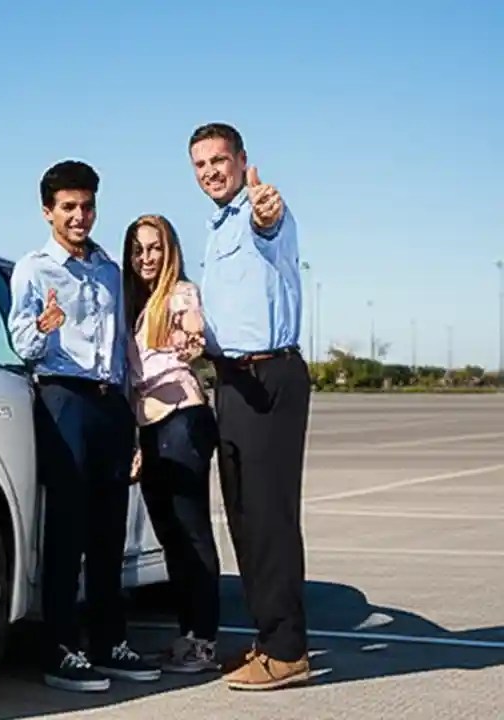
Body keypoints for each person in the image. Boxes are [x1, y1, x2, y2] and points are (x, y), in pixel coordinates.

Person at [8, 159, 160, 693]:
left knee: (108, 532)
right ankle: (61, 648)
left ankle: (109, 642)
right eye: (68, 207)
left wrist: (133, 424)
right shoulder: (33, 269)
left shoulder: (108, 271)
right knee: (67, 531)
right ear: (48, 211)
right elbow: (20, 345)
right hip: (62, 400)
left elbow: (121, 349)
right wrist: (43, 327)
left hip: (108, 405)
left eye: (87, 206)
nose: (80, 216)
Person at [187, 122, 312, 690]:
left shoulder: (261, 215)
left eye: (219, 160)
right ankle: (269, 639)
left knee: (270, 516)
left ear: (242, 161)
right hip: (233, 380)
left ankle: (287, 652)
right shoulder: (214, 231)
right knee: (242, 514)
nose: (211, 171)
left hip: (270, 375)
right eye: (200, 164)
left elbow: (270, 222)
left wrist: (264, 208)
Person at [121, 213, 222, 674]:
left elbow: (192, 328)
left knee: (191, 532)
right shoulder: (139, 305)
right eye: (139, 249)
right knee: (170, 538)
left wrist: (192, 338)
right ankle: (188, 636)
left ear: (170, 250)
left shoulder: (178, 293)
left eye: (155, 247)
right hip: (153, 427)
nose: (146, 257)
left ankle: (203, 641)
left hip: (182, 419)